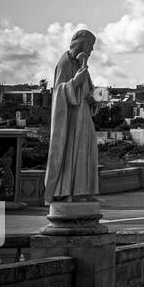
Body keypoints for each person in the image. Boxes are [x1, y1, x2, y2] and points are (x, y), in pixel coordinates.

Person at [44, 29, 100, 202]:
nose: (91, 50)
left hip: (84, 116)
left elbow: (89, 90)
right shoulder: (65, 63)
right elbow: (58, 92)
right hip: (71, 119)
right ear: (82, 44)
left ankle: (84, 191)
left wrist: (93, 99)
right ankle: (68, 192)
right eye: (90, 46)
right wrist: (75, 82)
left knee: (86, 152)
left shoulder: (82, 65)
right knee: (72, 154)